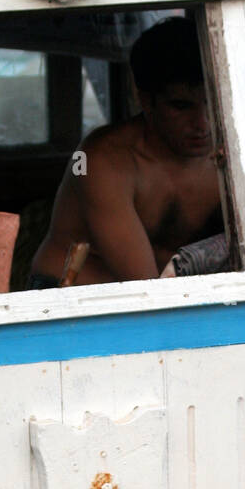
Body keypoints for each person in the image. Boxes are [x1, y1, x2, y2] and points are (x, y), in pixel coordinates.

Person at [29, 16, 223, 288]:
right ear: (145, 100)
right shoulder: (97, 159)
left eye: (211, 102)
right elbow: (143, 286)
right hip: (69, 299)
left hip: (173, 298)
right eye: (181, 106)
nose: (202, 123)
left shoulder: (236, 151)